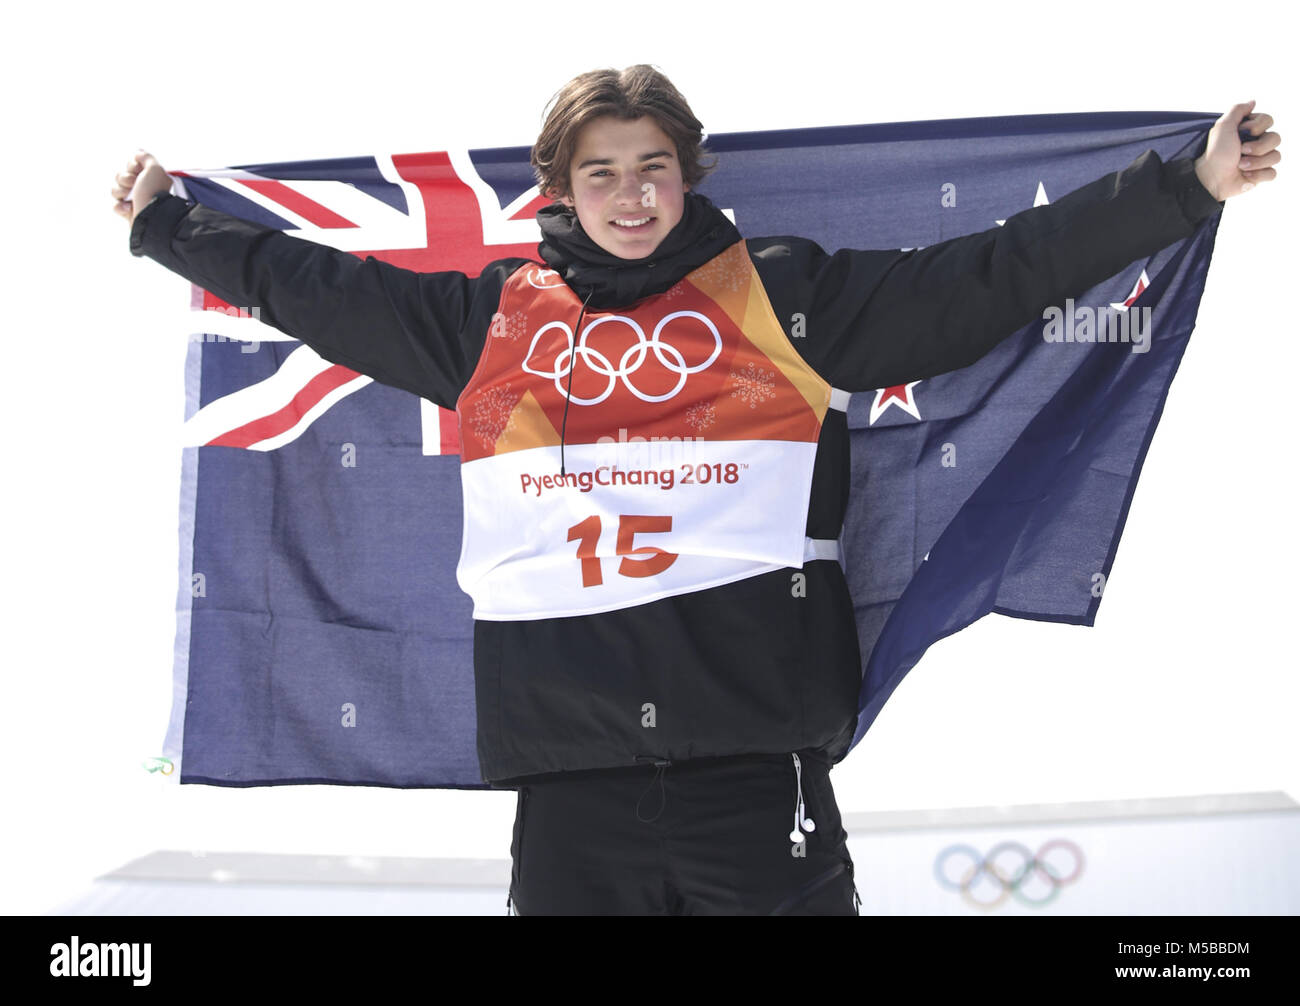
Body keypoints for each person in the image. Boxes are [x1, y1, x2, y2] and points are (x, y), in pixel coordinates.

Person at [113, 66, 1280, 916]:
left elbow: (988, 276)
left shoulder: (784, 299)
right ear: (560, 189)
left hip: (759, 783)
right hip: (571, 795)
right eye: (602, 174)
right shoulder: (490, 324)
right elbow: (315, 286)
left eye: (652, 169)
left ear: (688, 174)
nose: (632, 197)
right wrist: (168, 225)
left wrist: (1187, 185)